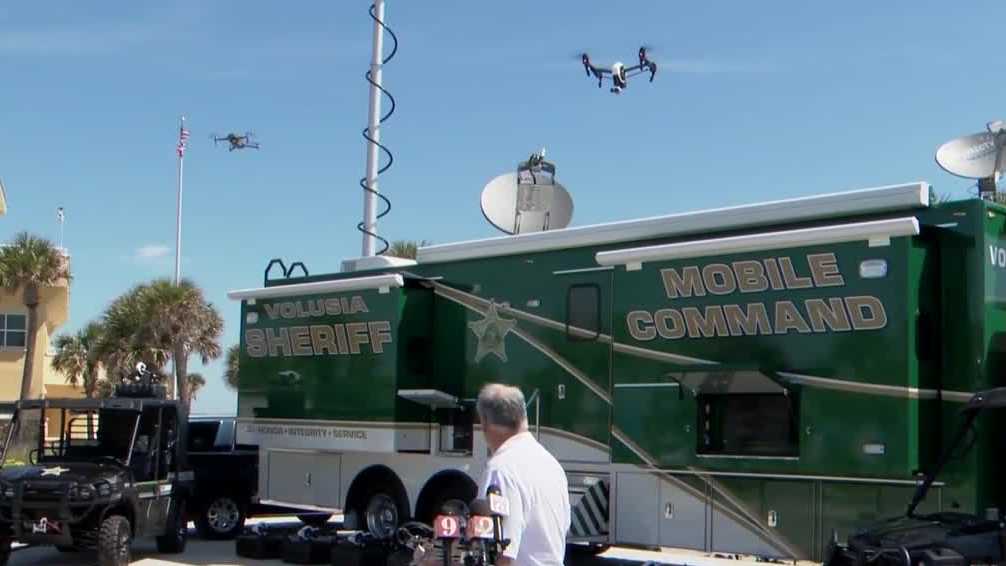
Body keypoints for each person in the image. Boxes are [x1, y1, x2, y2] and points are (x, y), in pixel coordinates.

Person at [476, 383, 570, 566]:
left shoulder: (500, 470)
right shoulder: (552, 465)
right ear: (523, 417)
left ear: (485, 423)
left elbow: (501, 554)